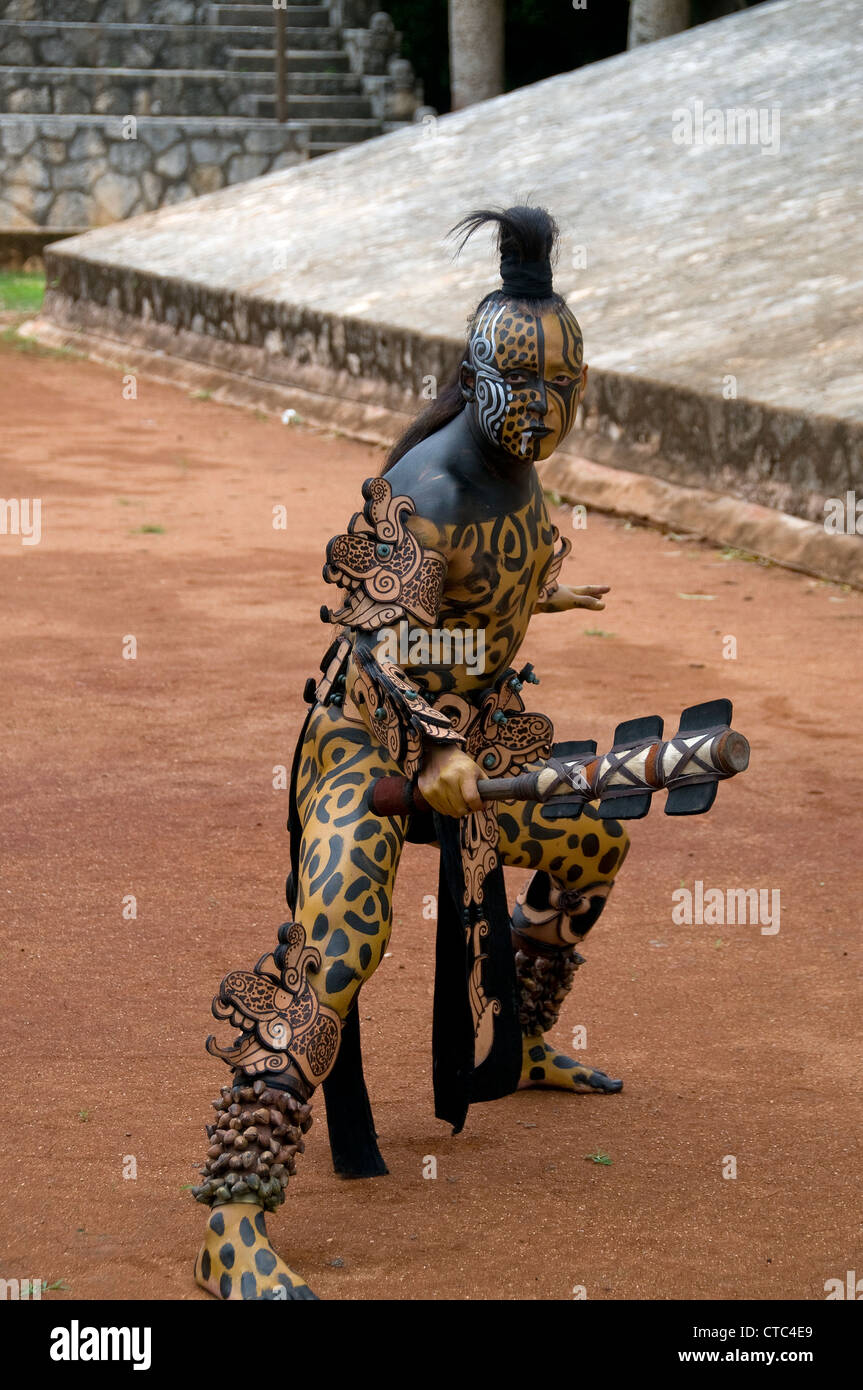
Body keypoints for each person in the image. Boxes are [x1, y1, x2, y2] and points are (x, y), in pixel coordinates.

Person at [191, 206, 630, 1301]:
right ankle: (231, 1227)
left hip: (472, 733)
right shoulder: (430, 488)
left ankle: (518, 1036)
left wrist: (533, 590)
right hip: (361, 746)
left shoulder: (516, 477)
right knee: (334, 947)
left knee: (590, 837)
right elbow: (375, 638)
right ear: (475, 375)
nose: (538, 414)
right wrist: (430, 746)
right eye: (518, 391)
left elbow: (471, 591)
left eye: (558, 396)